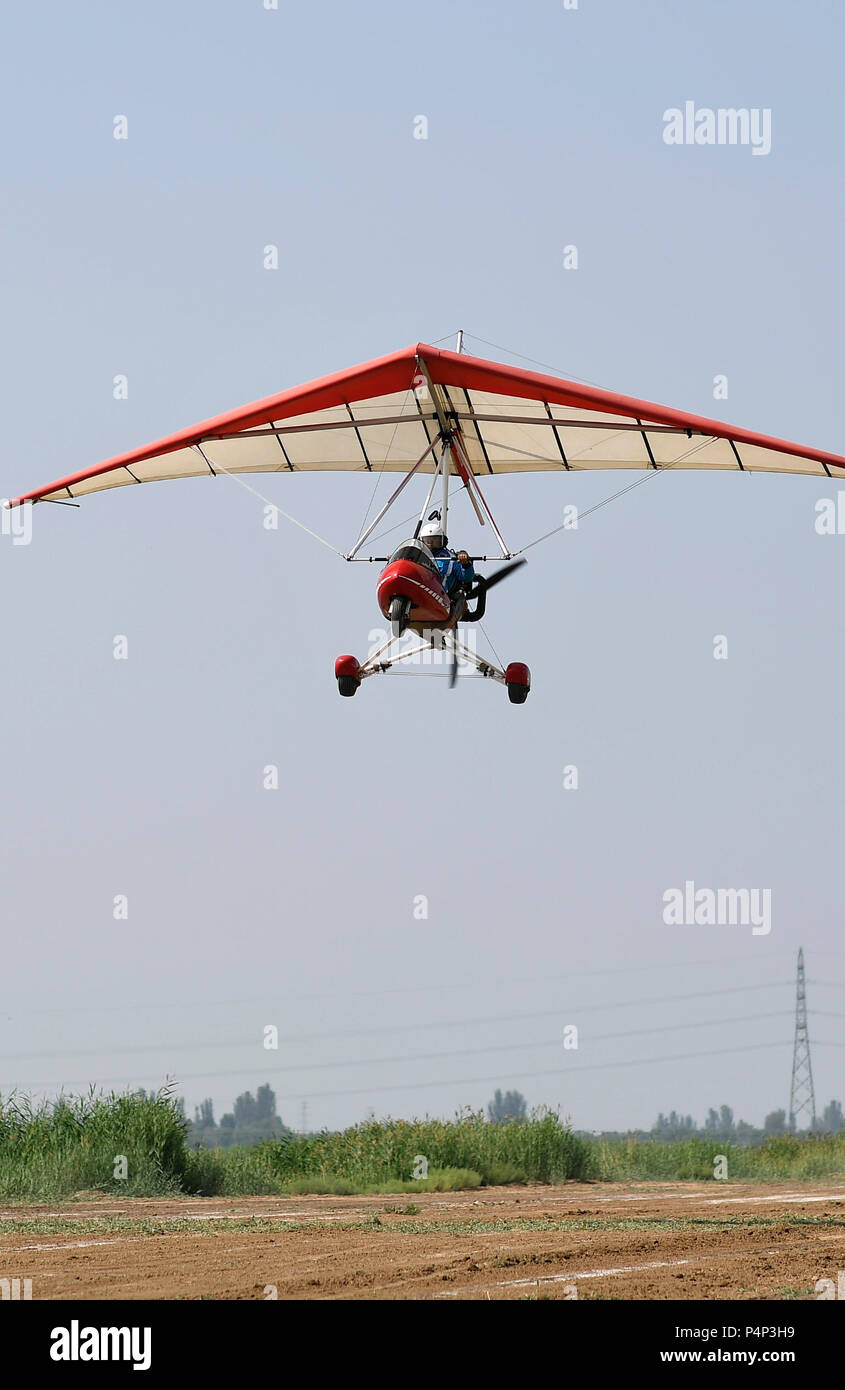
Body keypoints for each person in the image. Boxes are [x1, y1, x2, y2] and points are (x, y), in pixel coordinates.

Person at [419, 521, 475, 595]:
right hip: (419, 591)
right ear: (421, 541)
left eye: (435, 539)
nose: (431, 543)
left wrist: (466, 564)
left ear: (442, 541)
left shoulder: (450, 558)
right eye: (427, 540)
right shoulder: (417, 554)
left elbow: (466, 578)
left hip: (440, 596)